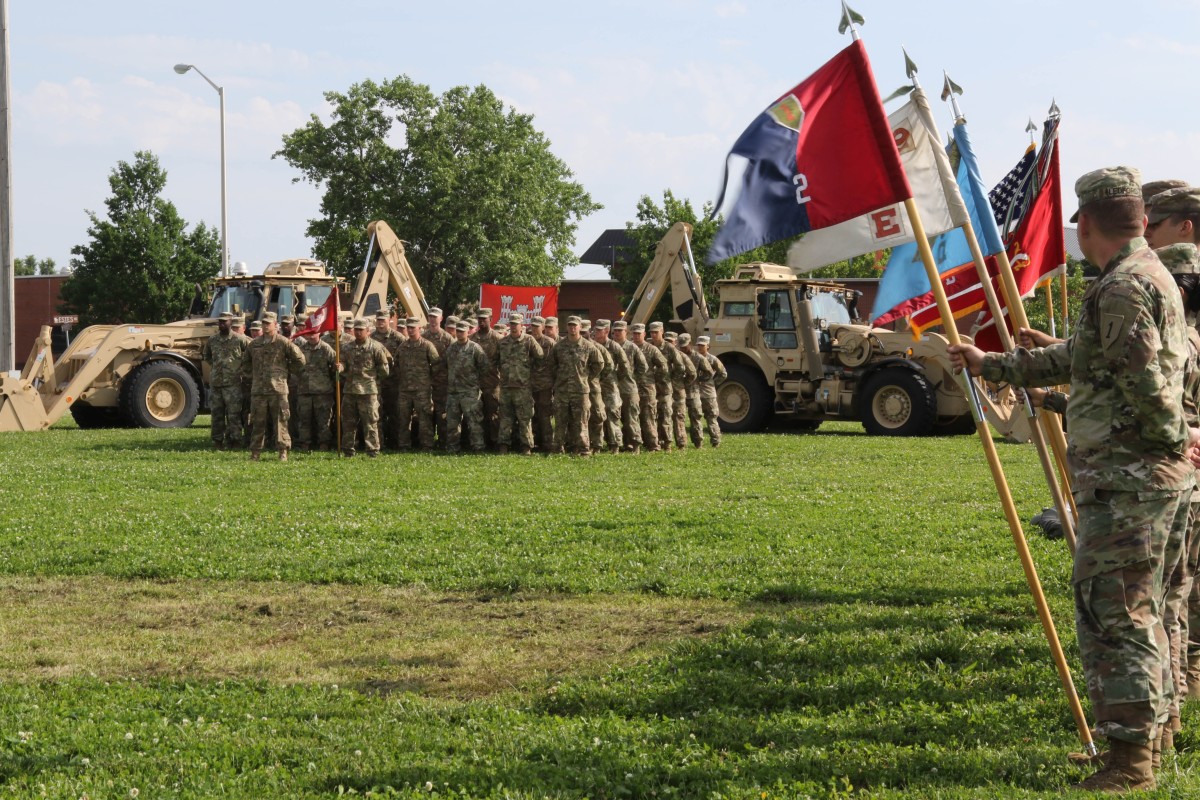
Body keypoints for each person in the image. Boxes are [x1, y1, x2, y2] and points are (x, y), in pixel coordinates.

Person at [948, 167, 1198, 792]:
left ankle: (1131, 763)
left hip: (1129, 479)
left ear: (1085, 224)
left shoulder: (1121, 287)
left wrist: (1176, 441)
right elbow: (1088, 360)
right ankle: (1153, 741)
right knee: (1150, 608)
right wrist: (995, 363)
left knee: (1118, 616)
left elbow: (1146, 387)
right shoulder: (1146, 275)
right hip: (1142, 475)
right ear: (1139, 219)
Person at [1153, 243, 1200, 757]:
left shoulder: (1180, 342)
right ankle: (1174, 714)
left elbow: (1156, 405)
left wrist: (1057, 400)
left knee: (1161, 602)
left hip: (1174, 475)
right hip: (1189, 477)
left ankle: (1163, 721)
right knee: (1179, 599)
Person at [240, 312, 306, 461]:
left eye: (268, 323)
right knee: (257, 422)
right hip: (259, 390)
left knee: (280, 422)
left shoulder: (283, 343)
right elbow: (245, 363)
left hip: (278, 390)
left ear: (275, 325)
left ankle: (283, 451)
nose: (265, 326)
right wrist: (253, 376)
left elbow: (300, 360)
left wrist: (287, 372)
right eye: (263, 323)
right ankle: (255, 452)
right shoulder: (254, 344)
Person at [545, 316, 603, 456]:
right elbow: (551, 364)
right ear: (566, 327)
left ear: (580, 327)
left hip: (580, 391)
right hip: (562, 390)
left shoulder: (588, 346)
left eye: (575, 326)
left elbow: (599, 363)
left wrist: (587, 377)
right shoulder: (559, 346)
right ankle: (558, 448)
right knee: (560, 421)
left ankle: (583, 449)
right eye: (570, 325)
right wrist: (559, 379)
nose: (572, 328)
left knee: (581, 422)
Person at [338, 318, 390, 457]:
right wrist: (340, 368)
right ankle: (348, 450)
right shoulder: (347, 347)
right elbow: (342, 363)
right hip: (350, 391)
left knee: (370, 422)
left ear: (368, 331)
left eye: (361, 330)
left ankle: (372, 450)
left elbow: (384, 370)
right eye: (357, 330)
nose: (358, 332)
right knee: (348, 422)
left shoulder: (376, 347)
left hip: (368, 392)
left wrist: (372, 379)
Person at [495, 312, 544, 454]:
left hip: (523, 388)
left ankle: (526, 447)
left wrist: (528, 370)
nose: (514, 326)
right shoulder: (502, 343)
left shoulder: (529, 340)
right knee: (505, 418)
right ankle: (503, 445)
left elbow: (540, 357)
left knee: (525, 419)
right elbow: (494, 360)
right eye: (512, 324)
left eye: (516, 324)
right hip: (506, 387)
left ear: (522, 325)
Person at [201, 312, 250, 450]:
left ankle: (235, 442)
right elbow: (207, 355)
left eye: (224, 322)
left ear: (230, 322)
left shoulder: (239, 339)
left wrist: (239, 368)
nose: (222, 324)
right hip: (216, 384)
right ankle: (218, 442)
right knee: (217, 415)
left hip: (233, 384)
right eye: (220, 322)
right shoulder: (212, 340)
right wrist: (217, 367)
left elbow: (251, 352)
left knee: (233, 415)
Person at [395, 317, 441, 451]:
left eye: (413, 328)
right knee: (403, 418)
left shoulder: (427, 345)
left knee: (424, 418)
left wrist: (427, 378)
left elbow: (436, 364)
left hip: (422, 389)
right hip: (405, 389)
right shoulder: (403, 346)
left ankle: (427, 445)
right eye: (408, 328)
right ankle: (404, 445)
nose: (410, 330)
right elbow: (396, 364)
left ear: (419, 329)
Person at [444, 319, 489, 453]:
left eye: (462, 332)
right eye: (458, 331)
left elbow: (485, 366)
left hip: (470, 392)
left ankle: (478, 447)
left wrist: (474, 380)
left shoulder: (474, 348)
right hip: (453, 392)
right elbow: (447, 365)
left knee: (474, 422)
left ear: (468, 332)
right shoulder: (451, 348)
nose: (459, 334)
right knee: (452, 422)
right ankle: (453, 448)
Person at [295, 328, 338, 453]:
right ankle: (305, 443)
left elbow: (337, 363)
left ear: (319, 333)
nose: (312, 336)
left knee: (323, 420)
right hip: (305, 390)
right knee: (304, 419)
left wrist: (337, 367)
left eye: (314, 333)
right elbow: (295, 365)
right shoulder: (301, 349)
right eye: (309, 334)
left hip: (323, 391)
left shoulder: (326, 348)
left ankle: (324, 444)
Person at [630, 323, 667, 452]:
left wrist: (654, 378)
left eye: (638, 334)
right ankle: (634, 444)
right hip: (632, 388)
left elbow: (663, 366)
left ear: (644, 334)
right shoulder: (629, 347)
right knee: (633, 417)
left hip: (647, 388)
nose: (636, 336)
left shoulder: (651, 349)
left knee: (648, 417)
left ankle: (653, 445)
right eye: (634, 333)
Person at [609, 320, 644, 453]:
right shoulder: (609, 346)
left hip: (629, 389)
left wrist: (633, 378)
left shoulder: (632, 347)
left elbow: (643, 366)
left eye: (620, 330)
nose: (617, 333)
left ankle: (635, 445)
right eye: (615, 331)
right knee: (616, 418)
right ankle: (621, 444)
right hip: (613, 388)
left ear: (626, 332)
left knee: (631, 419)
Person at [592, 320, 627, 453]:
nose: (596, 332)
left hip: (610, 387)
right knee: (597, 416)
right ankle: (597, 445)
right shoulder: (592, 345)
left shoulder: (614, 346)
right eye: (596, 330)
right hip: (596, 387)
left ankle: (615, 445)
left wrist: (616, 379)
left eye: (599, 330)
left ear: (606, 331)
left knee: (613, 415)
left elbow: (625, 367)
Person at [471, 308, 503, 449]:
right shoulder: (472, 339)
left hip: (493, 383)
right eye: (479, 319)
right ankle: (478, 443)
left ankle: (495, 442)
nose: (482, 322)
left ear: (491, 319)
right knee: (476, 414)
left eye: (484, 319)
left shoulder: (498, 339)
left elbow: (504, 360)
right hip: (476, 383)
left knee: (494, 414)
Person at [372, 309, 403, 449]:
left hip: (393, 382)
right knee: (378, 414)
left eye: (383, 320)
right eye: (378, 320)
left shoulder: (398, 338)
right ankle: (380, 443)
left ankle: (395, 442)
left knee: (394, 413)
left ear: (388, 320)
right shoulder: (371, 337)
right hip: (377, 382)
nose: (380, 323)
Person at [423, 307, 454, 447]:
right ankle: (427, 442)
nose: (432, 319)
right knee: (426, 412)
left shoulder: (448, 339)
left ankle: (442, 441)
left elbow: (453, 360)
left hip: (442, 382)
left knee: (442, 413)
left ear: (441, 319)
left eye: (435, 317)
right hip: (426, 381)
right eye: (430, 316)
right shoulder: (423, 337)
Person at [662, 330, 696, 449]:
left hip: (678, 392)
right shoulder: (661, 355)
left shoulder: (682, 356)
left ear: (675, 342)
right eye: (667, 341)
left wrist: (682, 384)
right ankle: (665, 443)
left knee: (679, 417)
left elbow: (692, 373)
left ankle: (681, 444)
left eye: (671, 341)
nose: (669, 344)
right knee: (664, 417)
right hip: (664, 391)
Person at [528, 315, 557, 452]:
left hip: (545, 385)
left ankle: (548, 444)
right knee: (532, 415)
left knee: (544, 415)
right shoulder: (527, 341)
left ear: (543, 327)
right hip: (530, 384)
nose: (534, 329)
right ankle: (534, 442)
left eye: (537, 326)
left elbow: (556, 363)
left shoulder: (549, 343)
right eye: (532, 326)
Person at [647, 322, 677, 451]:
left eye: (656, 332)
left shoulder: (669, 348)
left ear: (662, 332)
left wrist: (672, 380)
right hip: (651, 388)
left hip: (664, 388)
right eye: (652, 332)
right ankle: (655, 442)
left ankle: (667, 443)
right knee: (652, 415)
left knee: (665, 415)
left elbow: (680, 366)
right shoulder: (647, 346)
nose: (654, 335)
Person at [695, 335, 727, 447]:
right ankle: (698, 442)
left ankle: (715, 441)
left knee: (711, 417)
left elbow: (723, 373)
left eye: (702, 345)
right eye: (698, 345)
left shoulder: (712, 359)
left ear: (708, 346)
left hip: (708, 393)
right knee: (696, 418)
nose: (700, 347)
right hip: (696, 392)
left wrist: (713, 383)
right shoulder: (694, 357)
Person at [678, 333, 706, 449]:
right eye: (681, 347)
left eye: (685, 346)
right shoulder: (678, 355)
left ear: (690, 343)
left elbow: (709, 372)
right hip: (680, 392)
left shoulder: (698, 357)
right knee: (680, 418)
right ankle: (682, 443)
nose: (683, 349)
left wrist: (700, 381)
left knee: (695, 418)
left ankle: (698, 443)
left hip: (693, 392)